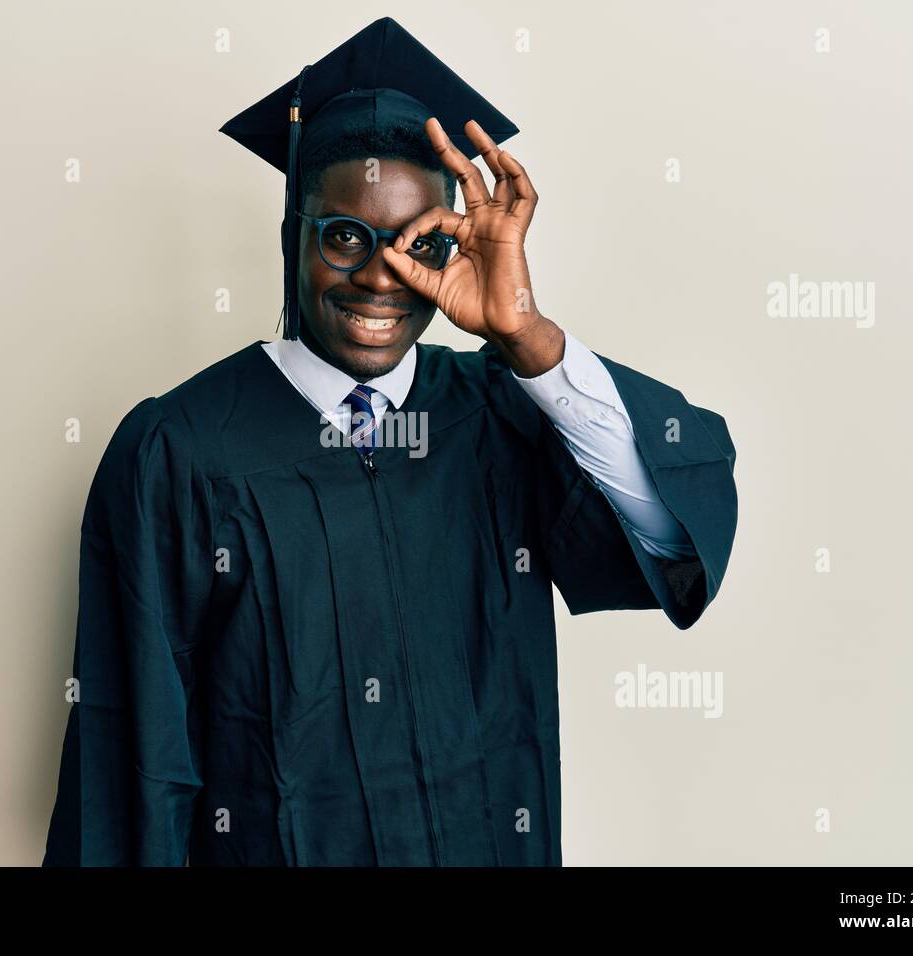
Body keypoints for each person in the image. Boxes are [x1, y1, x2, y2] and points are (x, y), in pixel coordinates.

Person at [43, 17, 737, 866]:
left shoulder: (499, 413)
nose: (379, 276)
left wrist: (527, 339)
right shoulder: (181, 452)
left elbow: (666, 541)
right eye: (345, 237)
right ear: (297, 232)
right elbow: (133, 763)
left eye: (418, 245)